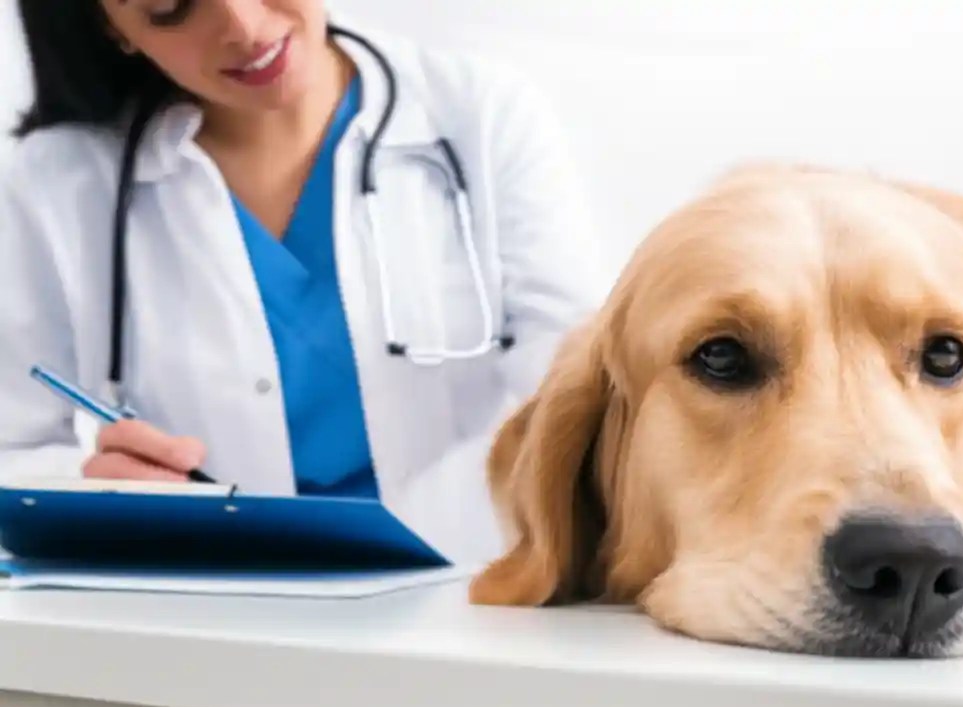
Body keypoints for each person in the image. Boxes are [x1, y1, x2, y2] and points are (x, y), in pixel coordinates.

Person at [0, 0, 606, 564]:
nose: (243, 25)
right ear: (112, 27)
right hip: (211, 602)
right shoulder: (52, 185)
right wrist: (89, 490)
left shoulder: (478, 113)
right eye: (172, 8)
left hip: (473, 580)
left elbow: (581, 395)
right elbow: (13, 452)